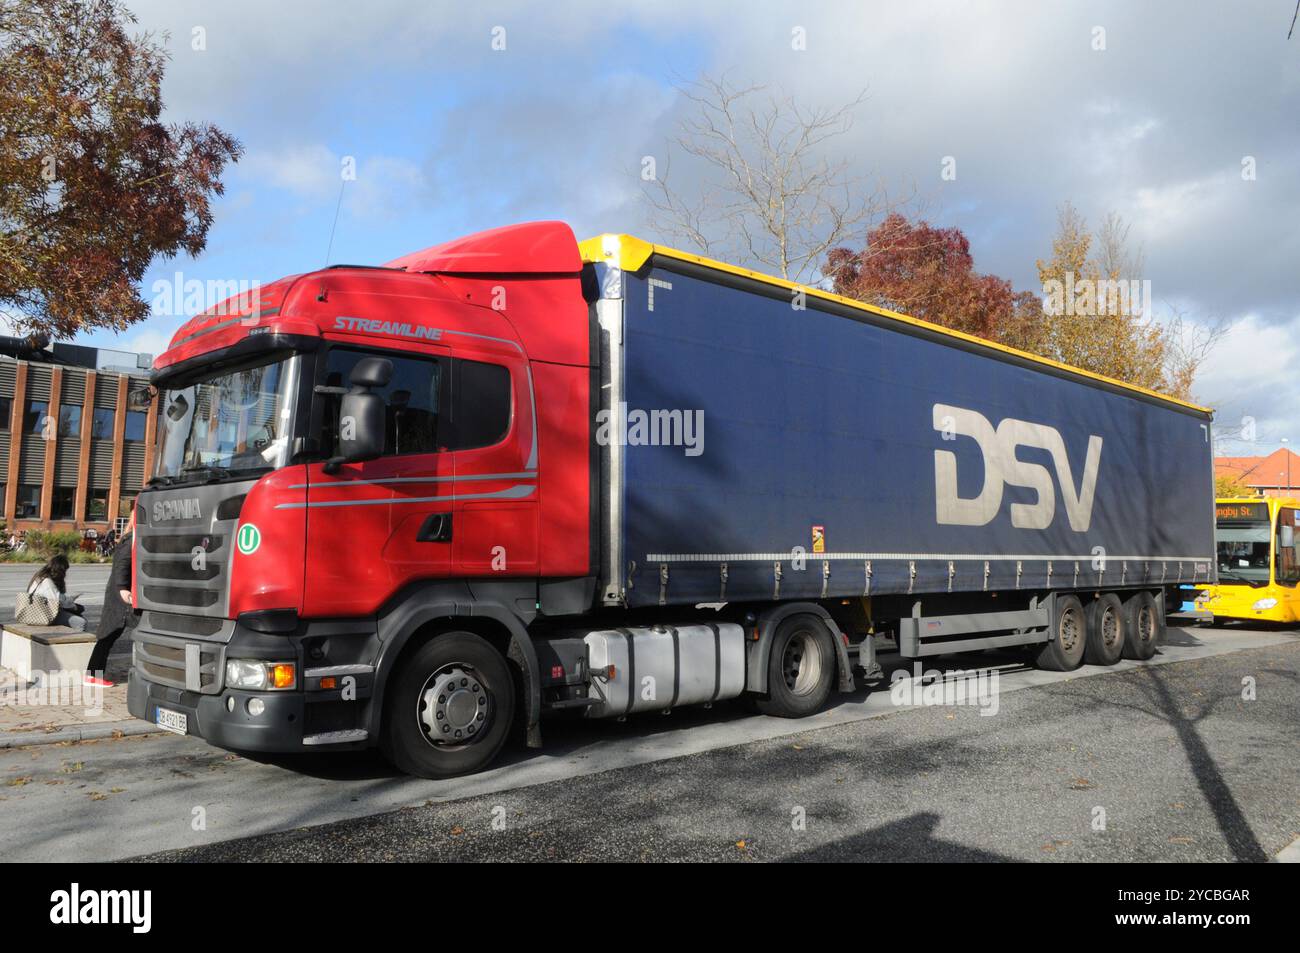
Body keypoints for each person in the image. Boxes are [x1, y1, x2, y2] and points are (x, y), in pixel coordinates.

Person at [86, 512, 137, 687]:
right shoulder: (131, 540)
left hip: (124, 595)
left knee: (110, 635)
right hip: (122, 597)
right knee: (108, 635)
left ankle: (93, 674)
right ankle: (93, 675)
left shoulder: (133, 539)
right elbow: (121, 565)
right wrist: (123, 588)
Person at [26, 554, 86, 632]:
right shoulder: (47, 582)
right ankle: (74, 641)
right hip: (44, 614)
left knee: (78, 611)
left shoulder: (40, 576)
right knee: (81, 622)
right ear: (61, 570)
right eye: (65, 570)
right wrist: (73, 605)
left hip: (38, 610)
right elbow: (58, 601)